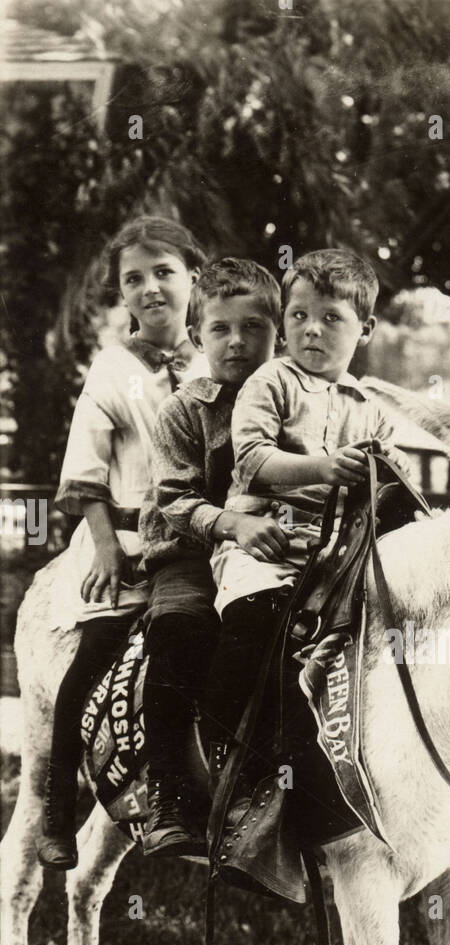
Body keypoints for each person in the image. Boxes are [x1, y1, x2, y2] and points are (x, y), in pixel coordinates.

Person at [39, 216, 207, 869]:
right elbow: (84, 470)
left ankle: (211, 789)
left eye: (164, 272)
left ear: (194, 276)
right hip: (126, 538)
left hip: (193, 545)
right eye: (133, 280)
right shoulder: (112, 369)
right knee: (90, 661)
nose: (150, 289)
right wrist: (106, 547)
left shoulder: (212, 358)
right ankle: (58, 804)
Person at [204, 248, 407, 786]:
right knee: (254, 621)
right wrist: (324, 467)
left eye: (331, 318)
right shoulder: (272, 381)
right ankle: (222, 744)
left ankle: (357, 761)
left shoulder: (374, 408)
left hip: (339, 556)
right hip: (265, 544)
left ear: (365, 329)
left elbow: (389, 489)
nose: (311, 331)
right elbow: (251, 459)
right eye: (299, 316)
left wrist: (391, 477)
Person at [138, 257, 281, 857]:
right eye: (220, 328)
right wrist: (233, 525)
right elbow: (174, 500)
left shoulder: (298, 401)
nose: (238, 342)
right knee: (179, 633)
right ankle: (170, 790)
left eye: (254, 328)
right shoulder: (185, 411)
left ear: (281, 333)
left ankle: (278, 779)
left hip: (275, 551)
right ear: (196, 337)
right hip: (192, 550)